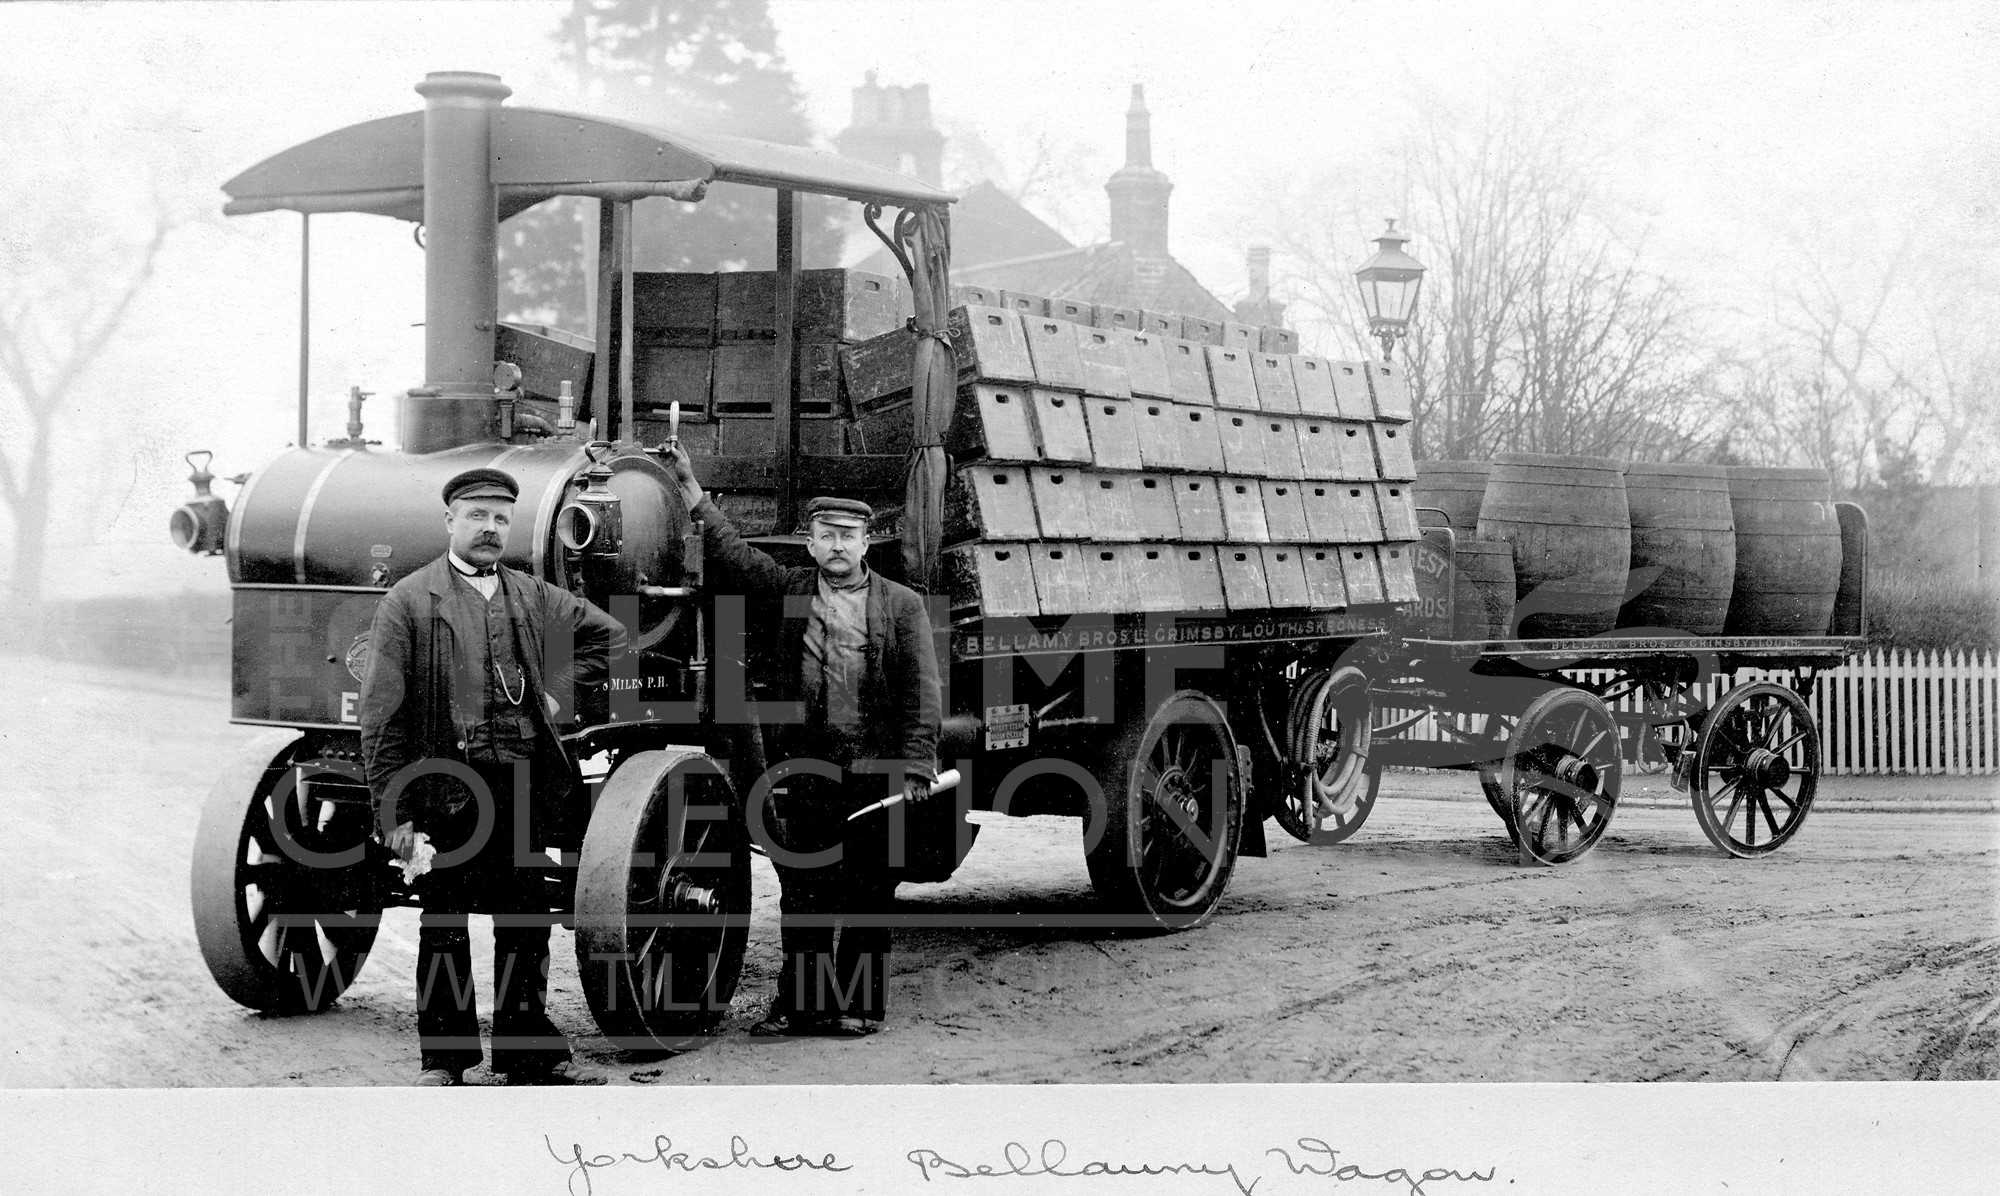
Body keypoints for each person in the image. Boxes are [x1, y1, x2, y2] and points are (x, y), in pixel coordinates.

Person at [660, 446, 941, 1038]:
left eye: (848, 536)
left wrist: (917, 766)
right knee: (804, 891)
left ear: (867, 543)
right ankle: (805, 1007)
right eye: (826, 536)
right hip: (807, 767)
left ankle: (859, 1007)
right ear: (809, 544)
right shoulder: (789, 590)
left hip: (877, 767)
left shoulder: (902, 605)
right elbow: (734, 556)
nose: (837, 546)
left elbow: (921, 692)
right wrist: (689, 487)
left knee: (869, 890)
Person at [359, 466, 626, 1086]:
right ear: (450, 521)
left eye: (500, 519)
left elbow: (610, 638)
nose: (489, 529)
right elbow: (381, 718)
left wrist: (556, 693)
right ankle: (444, 1061)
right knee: (444, 923)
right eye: (477, 516)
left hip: (521, 784)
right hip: (445, 789)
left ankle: (526, 1055)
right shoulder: (408, 601)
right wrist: (393, 814)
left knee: (526, 919)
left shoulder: (532, 594)